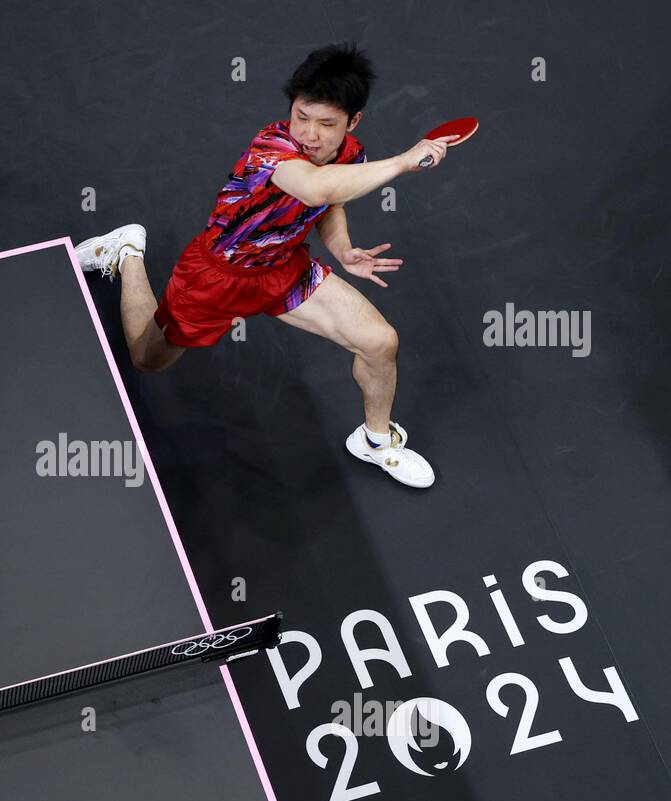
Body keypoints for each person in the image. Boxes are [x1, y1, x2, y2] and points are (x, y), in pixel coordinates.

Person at [74, 42, 455, 489]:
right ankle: (127, 252)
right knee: (147, 358)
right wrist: (404, 163)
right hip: (218, 274)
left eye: (325, 124)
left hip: (283, 268)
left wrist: (343, 248)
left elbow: (331, 202)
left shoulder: (351, 154)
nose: (309, 135)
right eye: (301, 116)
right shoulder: (271, 147)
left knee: (379, 342)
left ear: (353, 121)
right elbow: (314, 189)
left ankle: (375, 440)